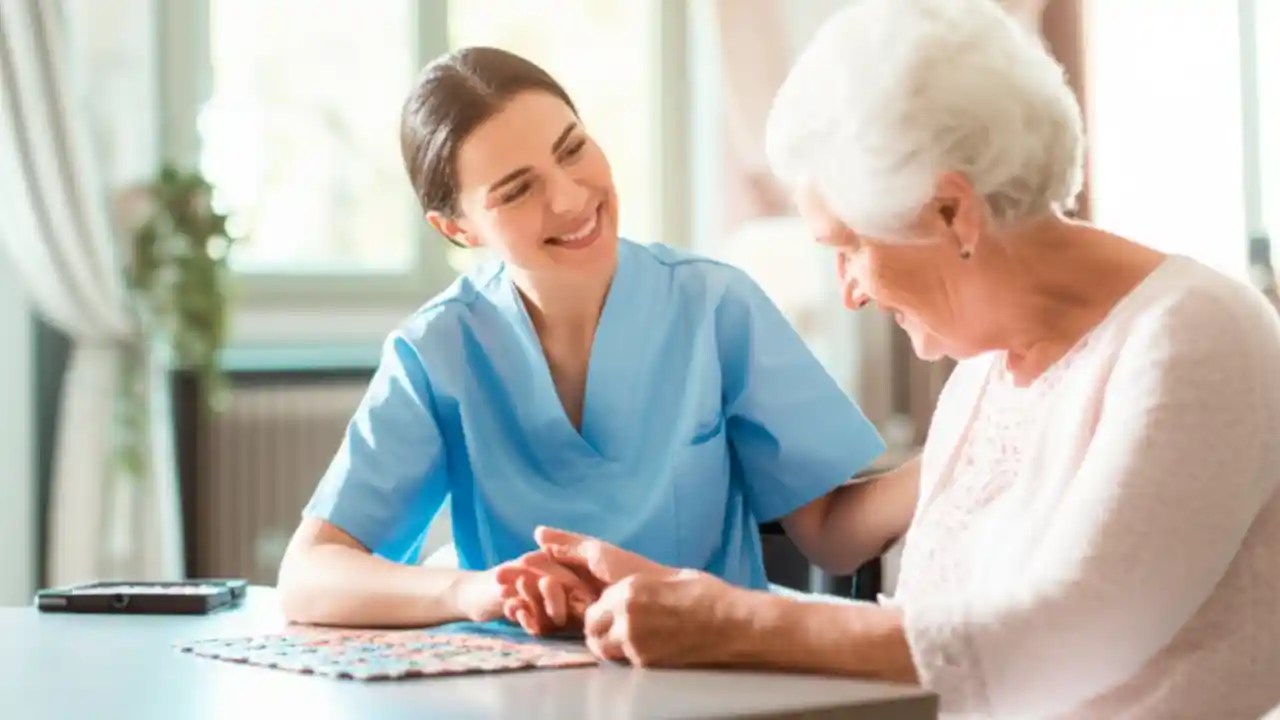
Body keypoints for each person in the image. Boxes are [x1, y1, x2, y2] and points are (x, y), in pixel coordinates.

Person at [496, 1, 1280, 717]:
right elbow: (934, 634)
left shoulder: (1196, 332)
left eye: (850, 250)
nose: (849, 293)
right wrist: (678, 594)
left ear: (951, 211)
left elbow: (1059, 636)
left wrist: (732, 617)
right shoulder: (986, 368)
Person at [275, 47, 888, 634]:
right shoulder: (439, 349)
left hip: (706, 673)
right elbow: (308, 575)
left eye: (572, 149)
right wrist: (476, 590)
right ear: (457, 228)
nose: (569, 199)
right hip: (510, 688)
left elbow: (832, 534)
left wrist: (974, 433)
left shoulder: (714, 307)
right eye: (517, 190)